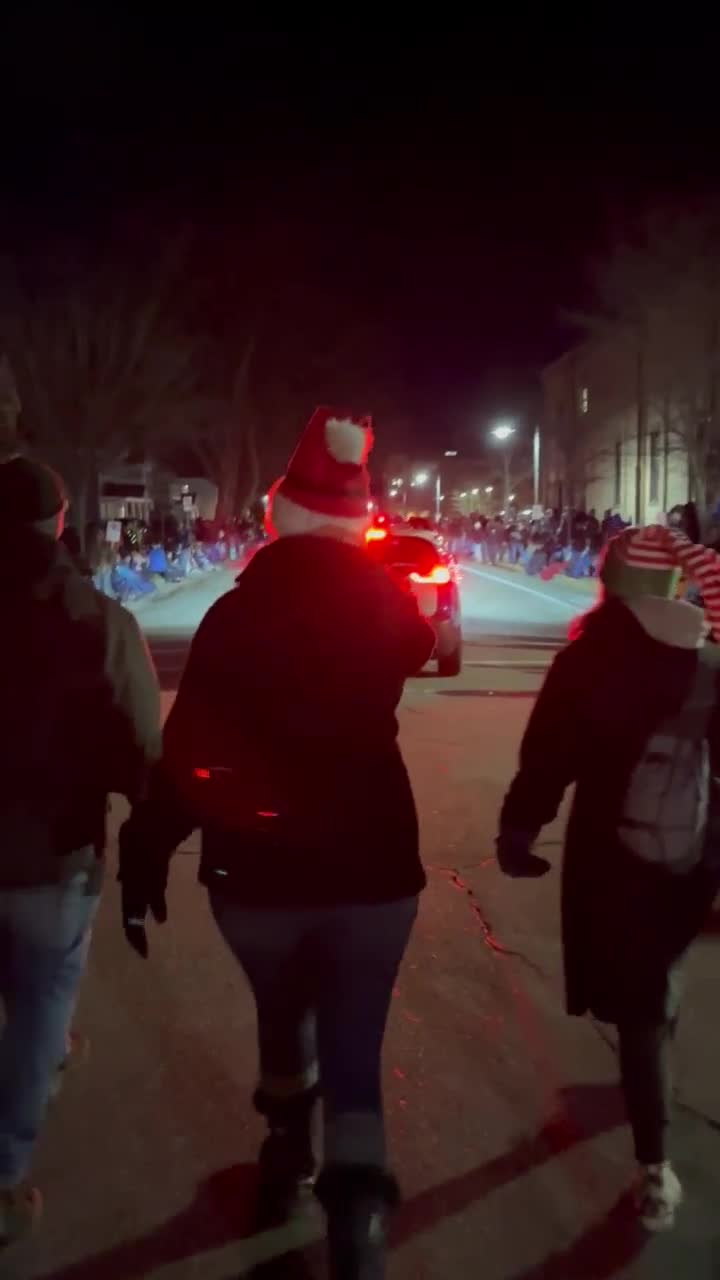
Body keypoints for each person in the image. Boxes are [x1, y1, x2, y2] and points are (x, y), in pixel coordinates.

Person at [119, 407, 434, 1279]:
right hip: (373, 869)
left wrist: (146, 845)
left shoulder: (234, 618)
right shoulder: (383, 614)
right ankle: (357, 1230)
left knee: (282, 1014)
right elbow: (420, 637)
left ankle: (287, 1148)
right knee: (355, 1046)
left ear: (278, 518)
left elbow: (189, 751)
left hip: (256, 872)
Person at [497, 524, 720, 1233]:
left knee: (636, 1007)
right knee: (656, 980)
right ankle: (657, 1030)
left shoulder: (589, 657)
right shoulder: (709, 662)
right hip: (695, 855)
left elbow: (547, 756)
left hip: (611, 854)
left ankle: (654, 1168)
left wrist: (520, 828)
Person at [0, 456, 161, 1245]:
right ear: (60, 523)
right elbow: (141, 747)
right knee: (37, 1010)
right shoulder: (99, 621)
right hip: (53, 857)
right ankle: (1, 1179)